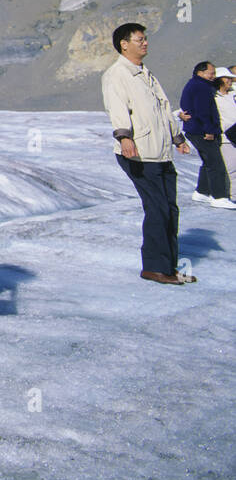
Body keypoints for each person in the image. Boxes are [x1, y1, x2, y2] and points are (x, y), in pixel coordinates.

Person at [101, 23, 196, 285]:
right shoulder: (117, 75)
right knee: (157, 209)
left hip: (161, 152)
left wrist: (178, 138)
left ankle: (168, 267)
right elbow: (117, 107)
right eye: (140, 39)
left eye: (145, 39)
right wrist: (124, 137)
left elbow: (164, 108)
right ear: (124, 44)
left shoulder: (146, 74)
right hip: (138, 153)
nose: (145, 43)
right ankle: (154, 268)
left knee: (170, 209)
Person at [179, 61, 236, 209]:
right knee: (216, 163)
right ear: (201, 73)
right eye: (211, 73)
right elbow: (203, 111)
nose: (213, 76)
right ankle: (219, 197)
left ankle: (202, 192)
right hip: (202, 131)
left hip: (196, 129)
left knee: (208, 161)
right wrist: (209, 130)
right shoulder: (202, 87)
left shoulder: (197, 85)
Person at [216, 67, 236, 195]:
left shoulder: (233, 93)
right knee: (231, 170)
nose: (230, 80)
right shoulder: (213, 96)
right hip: (226, 139)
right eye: (227, 78)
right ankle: (232, 196)